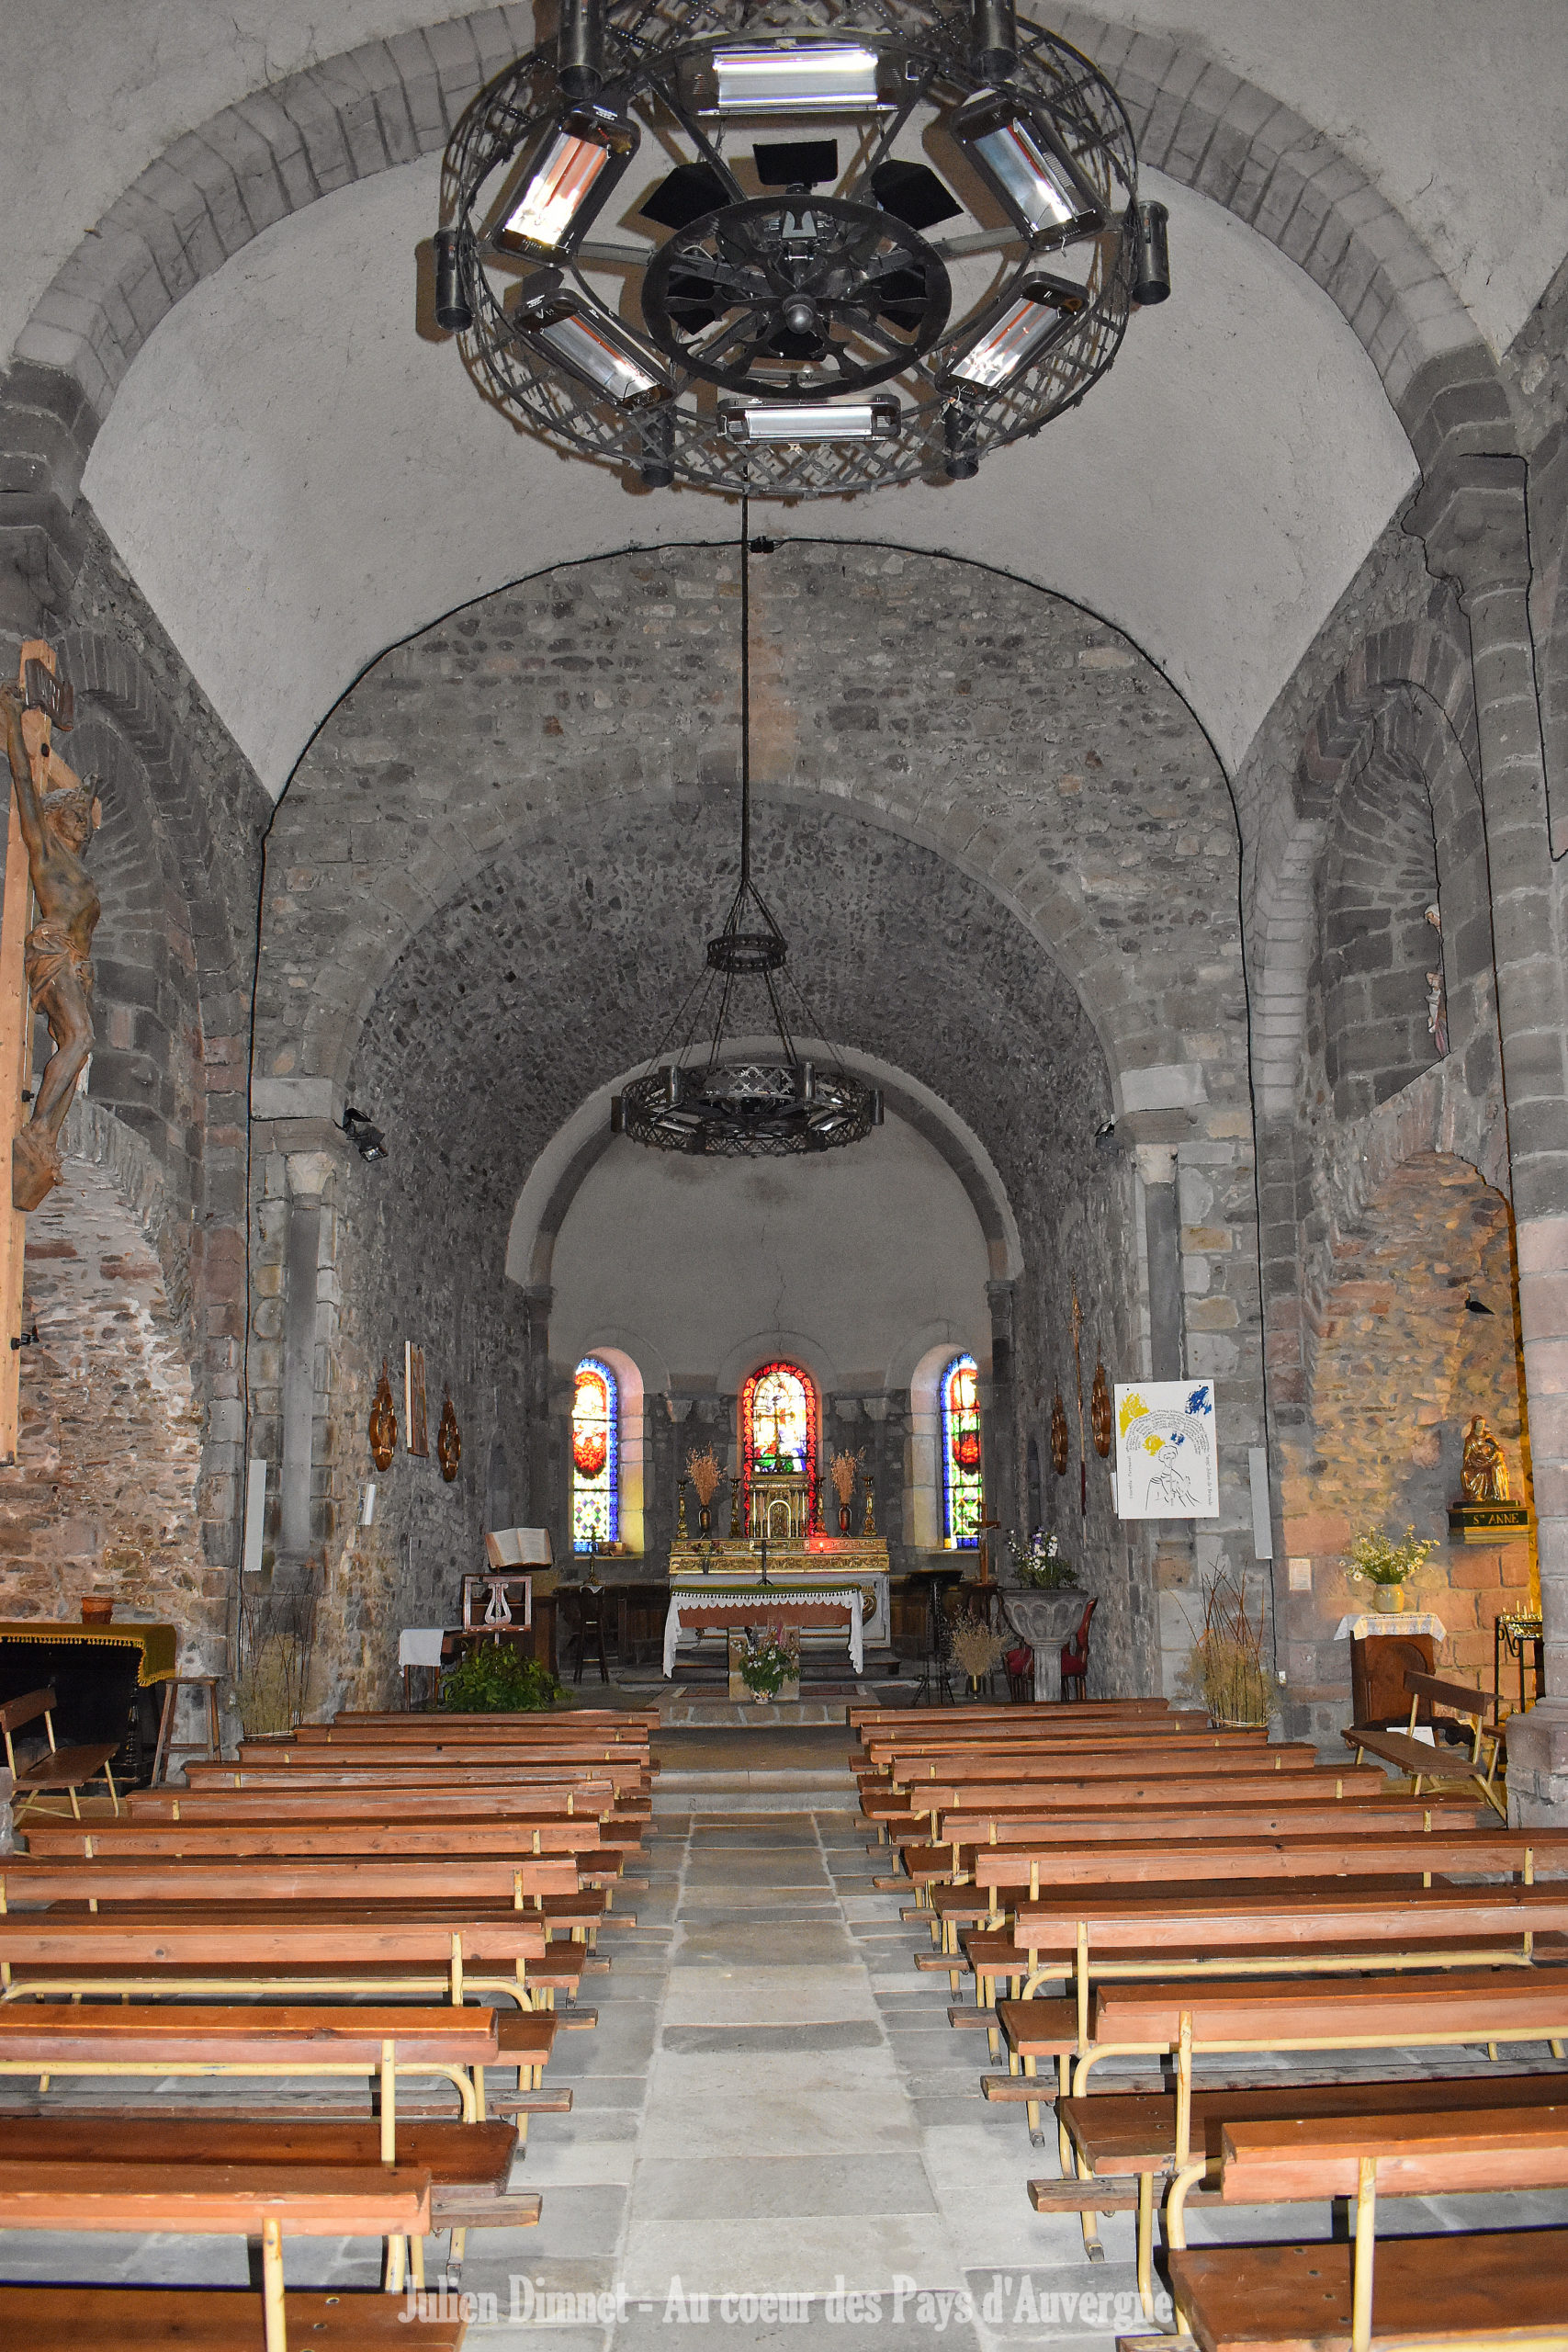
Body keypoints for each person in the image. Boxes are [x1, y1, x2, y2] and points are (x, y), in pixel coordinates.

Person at [0, 682, 100, 1210]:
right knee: (80, 1040)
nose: (83, 826)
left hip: (78, 966)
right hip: (53, 955)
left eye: (86, 819)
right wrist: (12, 720)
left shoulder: (82, 871)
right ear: (55, 817)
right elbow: (22, 780)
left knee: (82, 1048)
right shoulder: (45, 856)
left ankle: (46, 1142)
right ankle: (37, 1129)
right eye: (74, 816)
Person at [1461, 1414, 1510, 1504]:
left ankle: (1492, 1495)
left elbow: (1499, 1448)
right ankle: (1475, 1496)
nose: (1482, 1426)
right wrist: (1470, 1462)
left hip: (1489, 1461)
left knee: (1487, 1472)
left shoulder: (1488, 1436)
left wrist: (1491, 1453)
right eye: (1479, 1424)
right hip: (1476, 1462)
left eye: (1483, 1424)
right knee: (1465, 1473)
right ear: (1474, 1425)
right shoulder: (1470, 1439)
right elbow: (1466, 1454)